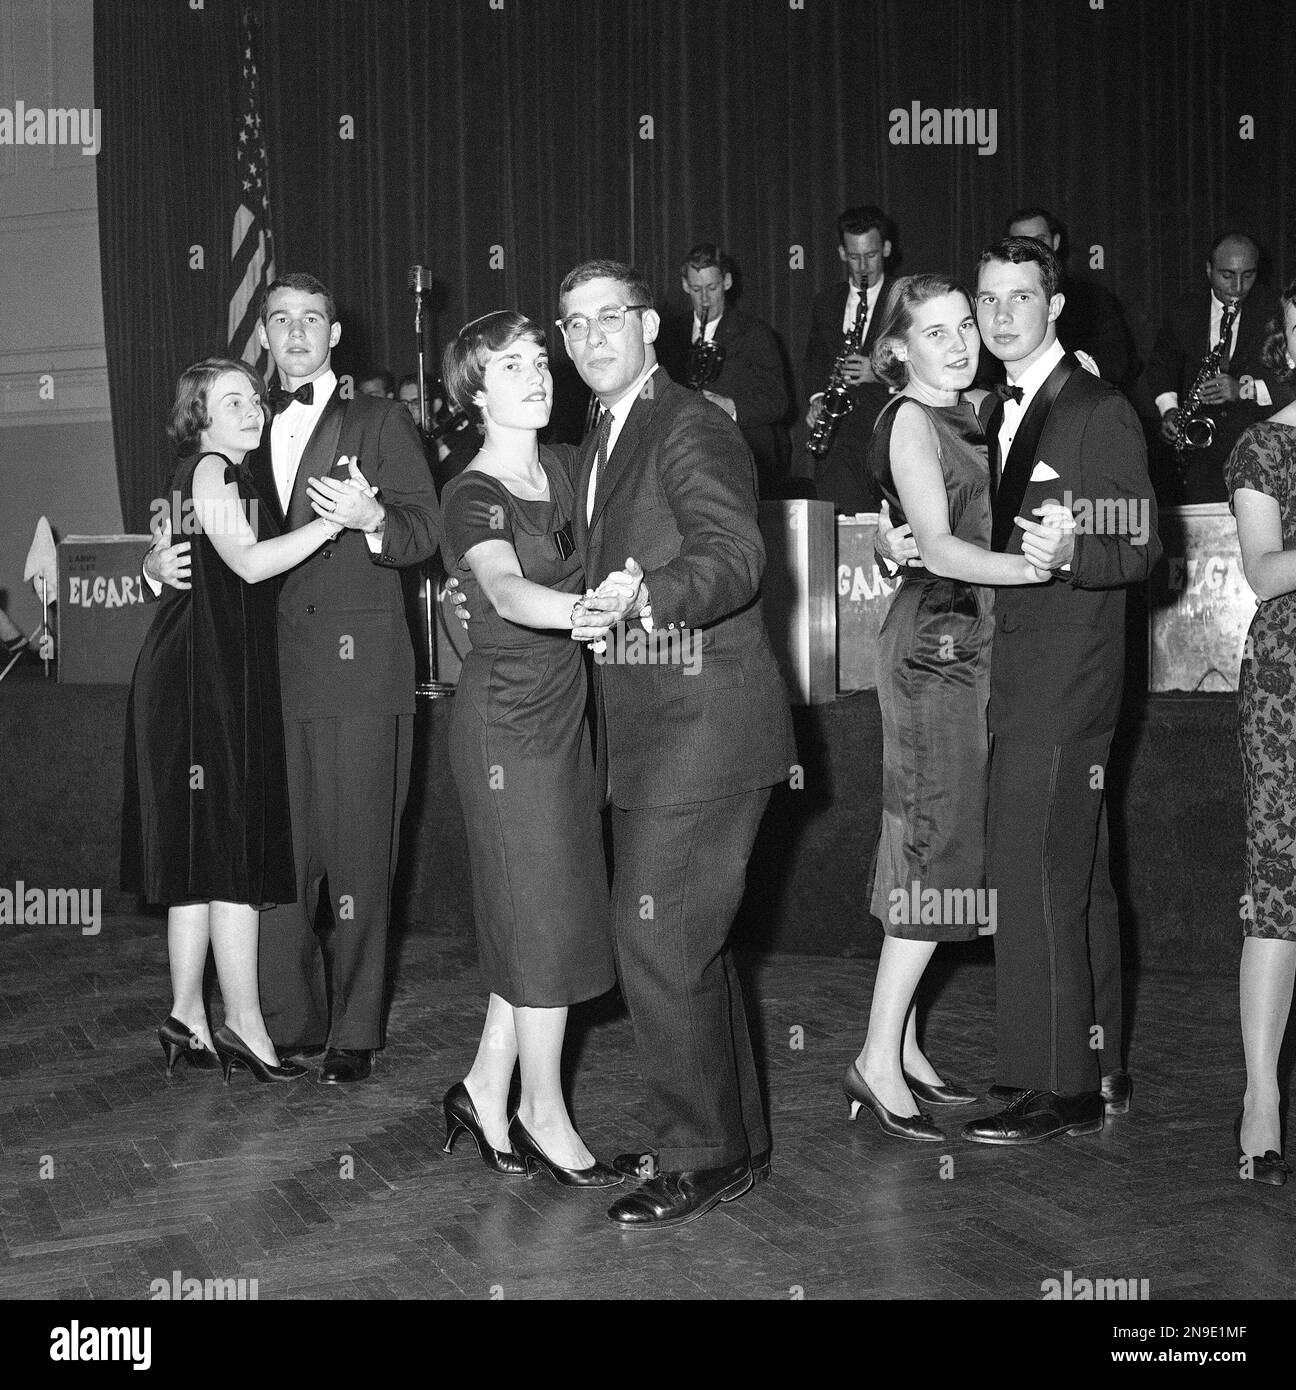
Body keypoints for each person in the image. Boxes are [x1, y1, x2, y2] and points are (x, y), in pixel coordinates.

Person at [146, 273, 441, 1084]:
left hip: (358, 678)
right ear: (264, 338)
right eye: (282, 320)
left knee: (357, 863)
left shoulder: (379, 419)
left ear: (335, 335)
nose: (298, 332)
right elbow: (210, 533)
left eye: (313, 319)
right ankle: (280, 1022)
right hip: (258, 681)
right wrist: (158, 564)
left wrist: (374, 518)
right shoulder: (241, 427)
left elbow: (429, 531)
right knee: (271, 864)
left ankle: (352, 1032)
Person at [557, 259, 796, 1227]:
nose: (589, 337)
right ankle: (730, 1141)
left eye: (608, 316)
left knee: (654, 936)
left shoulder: (689, 421)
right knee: (685, 938)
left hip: (705, 727)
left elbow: (734, 554)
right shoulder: (601, 436)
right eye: (572, 325)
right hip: (658, 731)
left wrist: (647, 593)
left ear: (650, 325)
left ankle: (700, 1152)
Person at [952, 236, 1159, 1147]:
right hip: (1021, 671)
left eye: (1019, 298)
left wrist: (1078, 549)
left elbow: (1146, 543)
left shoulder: (1096, 407)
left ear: (1054, 306)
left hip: (1066, 678)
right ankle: (1101, 1058)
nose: (1001, 315)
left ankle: (1055, 1085)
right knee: (1078, 877)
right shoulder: (995, 407)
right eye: (987, 300)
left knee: (1034, 873)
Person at [848, 275, 1050, 1142]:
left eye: (965, 324)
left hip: (971, 640)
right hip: (938, 643)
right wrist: (1040, 568)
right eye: (935, 333)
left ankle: (909, 1045)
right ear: (898, 350)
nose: (961, 341)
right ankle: (874, 1060)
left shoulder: (976, 409)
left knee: (937, 839)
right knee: (937, 841)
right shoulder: (908, 418)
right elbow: (935, 545)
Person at [437, 310, 634, 1187]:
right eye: (510, 366)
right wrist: (585, 612)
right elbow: (508, 590)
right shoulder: (470, 492)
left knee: (538, 910)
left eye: (538, 360)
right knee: (544, 918)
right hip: (506, 722)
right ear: (475, 393)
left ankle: (485, 1085)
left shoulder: (564, 463)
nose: (537, 374)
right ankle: (541, 1111)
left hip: (567, 708)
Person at [123, 358, 348, 1084]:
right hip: (203, 677)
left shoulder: (212, 471)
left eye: (254, 397)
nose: (252, 408)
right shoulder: (214, 471)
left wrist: (157, 566)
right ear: (201, 415)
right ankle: (246, 1023)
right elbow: (248, 565)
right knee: (232, 849)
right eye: (231, 401)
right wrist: (329, 525)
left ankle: (189, 1013)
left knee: (204, 857)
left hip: (203, 669)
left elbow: (188, 562)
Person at [1224, 278, 1296, 1185]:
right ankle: (1261, 1099)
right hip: (1288, 679)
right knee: (1281, 883)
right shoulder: (1263, 446)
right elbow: (1264, 568)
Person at [1144, 233, 1289, 503]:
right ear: (1209, 270)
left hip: (1257, 449)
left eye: (1248, 275)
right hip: (1199, 455)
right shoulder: (1183, 310)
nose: (1237, 287)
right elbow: (1161, 365)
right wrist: (1169, 410)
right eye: (1227, 275)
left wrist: (1243, 389)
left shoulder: (1275, 310)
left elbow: (1290, 382)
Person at [654, 243, 791, 497]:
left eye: (712, 288)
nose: (705, 299)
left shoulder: (755, 333)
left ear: (727, 282)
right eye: (696, 289)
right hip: (682, 454)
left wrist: (731, 407)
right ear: (685, 286)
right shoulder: (669, 334)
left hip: (740, 451)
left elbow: (777, 401)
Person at [802, 205, 898, 513]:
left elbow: (926, 362)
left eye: (870, 255)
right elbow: (815, 361)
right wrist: (817, 398)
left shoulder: (906, 298)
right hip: (837, 443)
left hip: (885, 435)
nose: (863, 266)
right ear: (843, 253)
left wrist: (879, 370)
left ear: (886, 248)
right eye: (854, 257)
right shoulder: (825, 301)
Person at [994, 207, 1134, 388]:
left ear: (1056, 241)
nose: (1032, 250)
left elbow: (1117, 363)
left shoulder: (1093, 299)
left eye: (1039, 240)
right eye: (1021, 243)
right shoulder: (996, 303)